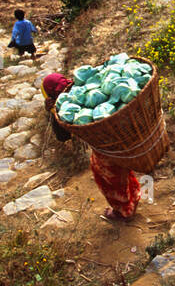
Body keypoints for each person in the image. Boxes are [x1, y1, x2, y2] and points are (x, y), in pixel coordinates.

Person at [41, 72, 141, 221]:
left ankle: (124, 211)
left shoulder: (65, 106)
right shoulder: (82, 88)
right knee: (123, 170)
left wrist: (53, 112)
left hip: (104, 147)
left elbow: (63, 136)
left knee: (110, 177)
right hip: (121, 138)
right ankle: (134, 198)